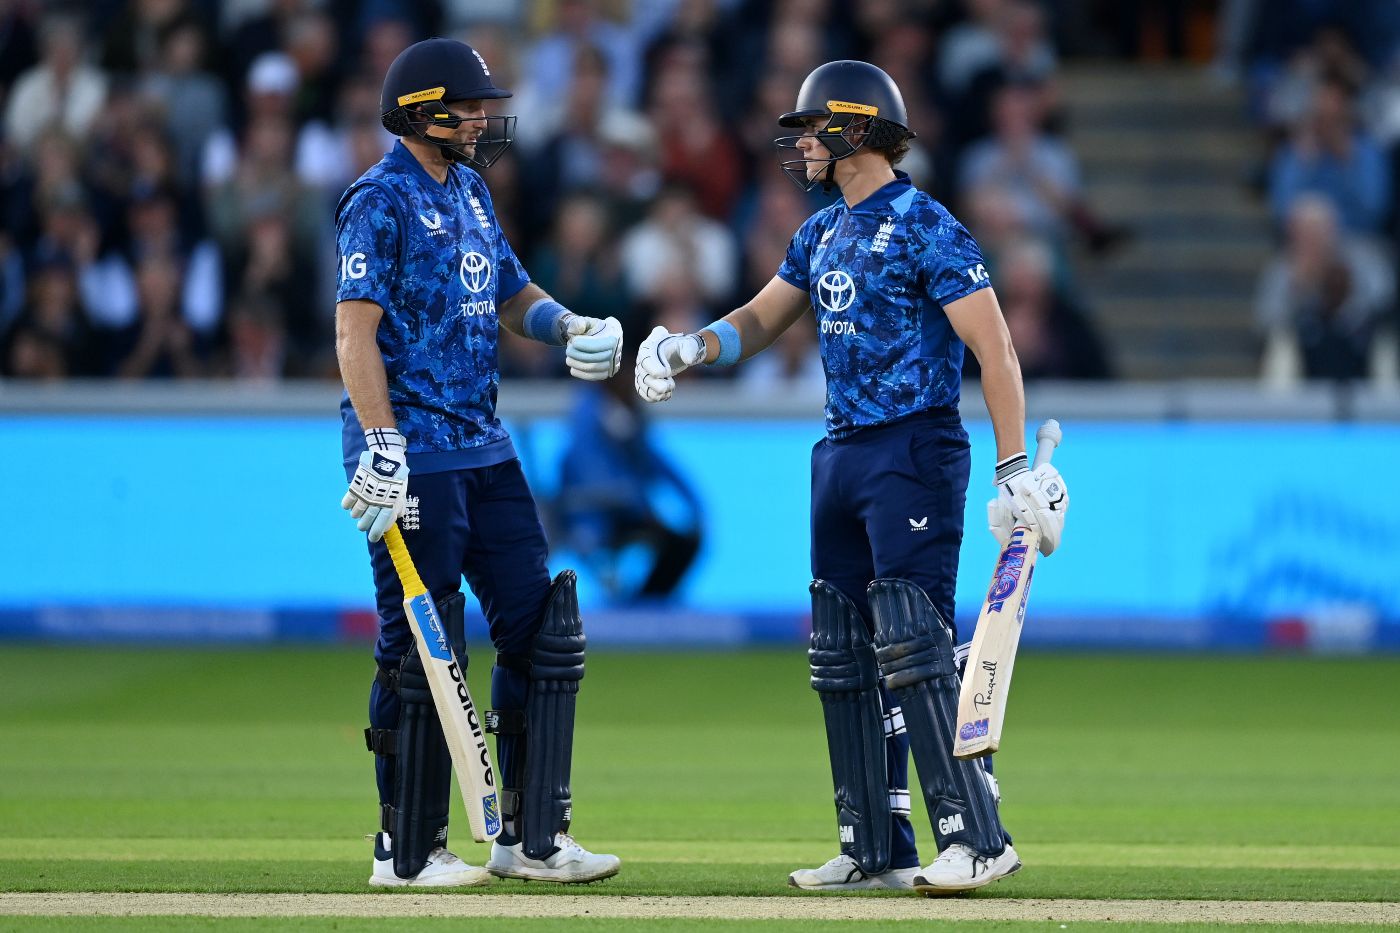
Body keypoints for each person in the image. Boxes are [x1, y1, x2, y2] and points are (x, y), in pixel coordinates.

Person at [633, 60, 1069, 896]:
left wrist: (1015, 465)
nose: (797, 147)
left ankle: (976, 835)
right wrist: (692, 347)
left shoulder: (925, 224)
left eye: (809, 131)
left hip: (914, 449)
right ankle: (876, 843)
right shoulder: (822, 229)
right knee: (841, 650)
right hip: (840, 452)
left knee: (913, 643)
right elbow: (764, 315)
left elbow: (995, 347)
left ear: (853, 129)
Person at [335, 37, 623, 889]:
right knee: (420, 643)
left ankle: (530, 837)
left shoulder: (468, 188)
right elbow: (354, 333)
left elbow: (510, 292)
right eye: (469, 105)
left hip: (486, 444)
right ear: (423, 110)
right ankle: (406, 845)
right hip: (412, 451)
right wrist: (381, 444)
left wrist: (568, 325)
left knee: (540, 629)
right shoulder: (376, 200)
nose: (484, 118)